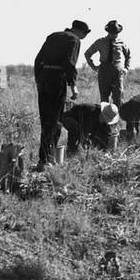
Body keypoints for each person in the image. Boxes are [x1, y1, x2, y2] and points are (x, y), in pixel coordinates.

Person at [33, 19, 88, 170]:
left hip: (44, 78)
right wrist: (73, 86)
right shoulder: (74, 40)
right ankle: (48, 160)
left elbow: (38, 60)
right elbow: (69, 63)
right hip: (57, 79)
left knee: (46, 120)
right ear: (81, 32)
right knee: (56, 119)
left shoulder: (53, 36)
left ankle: (43, 159)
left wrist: (39, 80)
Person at [84, 20, 131, 106]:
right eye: (112, 32)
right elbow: (87, 54)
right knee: (104, 98)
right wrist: (94, 67)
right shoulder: (100, 42)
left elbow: (128, 55)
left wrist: (126, 68)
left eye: (116, 32)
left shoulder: (121, 43)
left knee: (118, 97)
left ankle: (118, 118)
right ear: (108, 32)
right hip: (104, 71)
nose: (114, 34)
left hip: (117, 72)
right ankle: (105, 118)